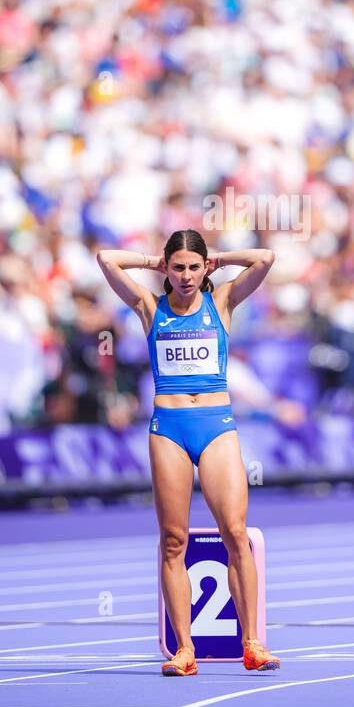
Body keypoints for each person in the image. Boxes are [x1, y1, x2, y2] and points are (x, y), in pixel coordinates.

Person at [96, 230, 281, 677]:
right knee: (173, 541)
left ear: (205, 269)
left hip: (216, 427)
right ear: (167, 268)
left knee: (234, 533)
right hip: (169, 430)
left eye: (194, 267)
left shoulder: (222, 304)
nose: (185, 276)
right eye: (177, 267)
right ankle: (184, 650)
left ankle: (252, 643)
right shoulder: (149, 308)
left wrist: (220, 257)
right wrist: (149, 261)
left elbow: (265, 258)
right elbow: (105, 259)